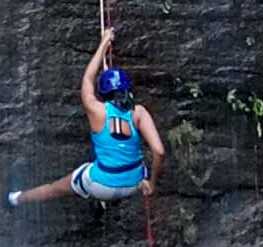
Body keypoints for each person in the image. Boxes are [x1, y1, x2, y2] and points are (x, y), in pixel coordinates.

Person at [10, 28, 165, 210]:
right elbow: (159, 151)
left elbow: (88, 78)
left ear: (104, 93)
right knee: (133, 166)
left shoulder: (96, 109)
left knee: (56, 188)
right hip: (135, 184)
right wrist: (151, 183)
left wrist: (104, 42)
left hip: (101, 184)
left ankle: (16, 199)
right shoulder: (139, 113)